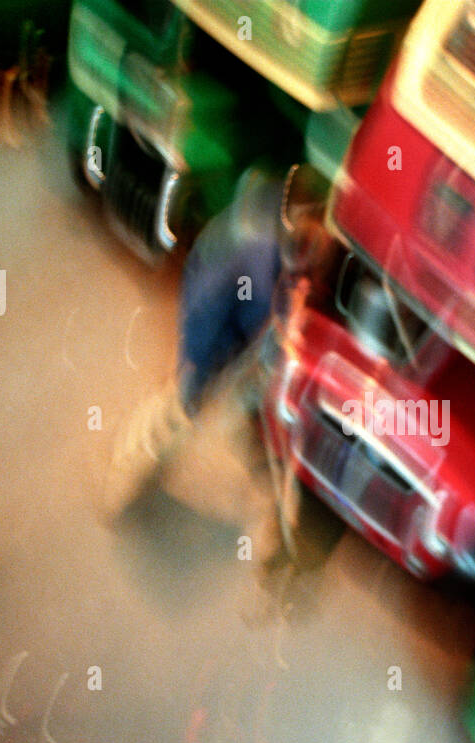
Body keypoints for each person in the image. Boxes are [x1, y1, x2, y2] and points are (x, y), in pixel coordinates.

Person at [102, 162, 340, 601]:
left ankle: (150, 470)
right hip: (209, 349)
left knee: (199, 415)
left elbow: (281, 303)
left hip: (233, 349)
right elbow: (209, 304)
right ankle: (126, 480)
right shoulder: (254, 255)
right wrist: (196, 364)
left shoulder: (285, 247)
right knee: (177, 411)